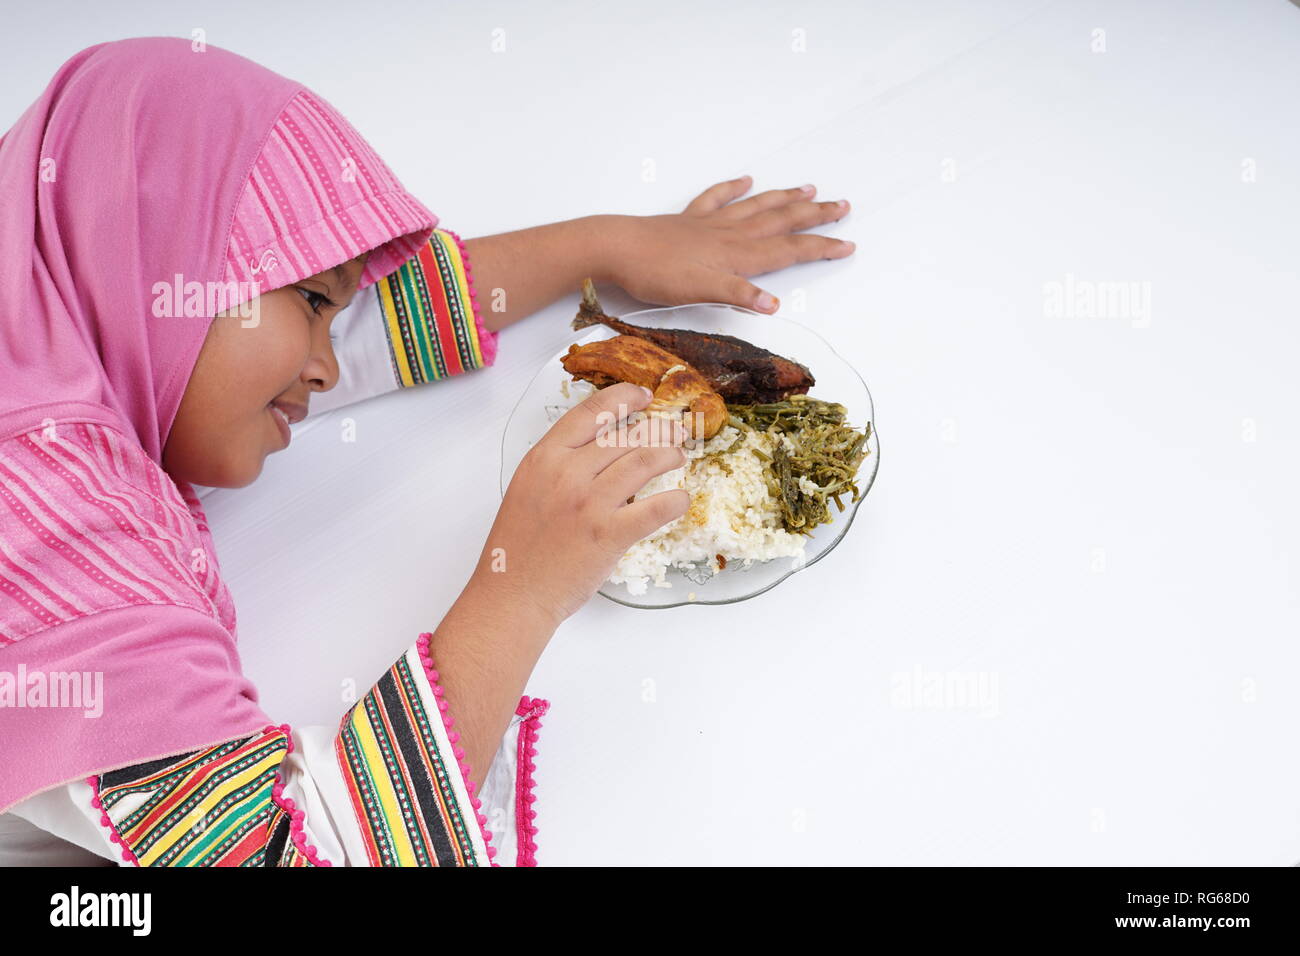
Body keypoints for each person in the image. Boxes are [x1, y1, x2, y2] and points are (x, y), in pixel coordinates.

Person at [0, 36, 854, 866]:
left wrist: (605, 247)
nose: (329, 367)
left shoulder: (43, 326)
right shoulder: (48, 514)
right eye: (310, 303)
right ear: (149, 260)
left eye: (332, 315)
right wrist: (524, 589)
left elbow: (334, 319)